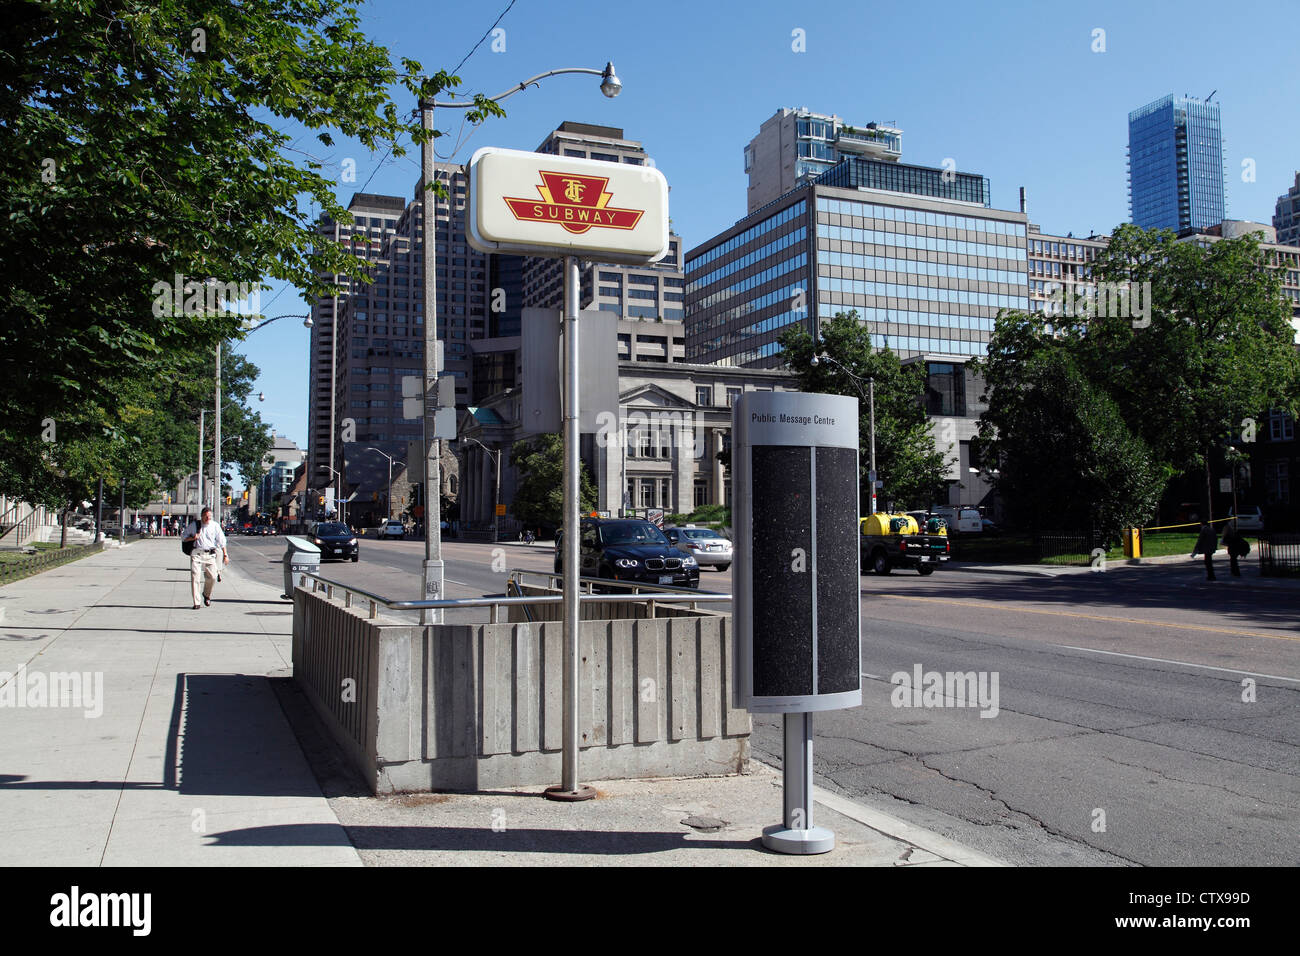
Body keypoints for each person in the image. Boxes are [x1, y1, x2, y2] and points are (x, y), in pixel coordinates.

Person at [183, 506, 229, 609]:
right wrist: (193, 538)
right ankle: (196, 602)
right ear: (202, 516)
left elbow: (222, 541)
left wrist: (225, 555)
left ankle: (206, 594)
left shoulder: (215, 526)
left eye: (210, 516)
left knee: (212, 577)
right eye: (206, 516)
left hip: (210, 555)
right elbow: (183, 537)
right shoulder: (194, 525)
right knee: (195, 577)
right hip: (197, 554)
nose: (208, 518)